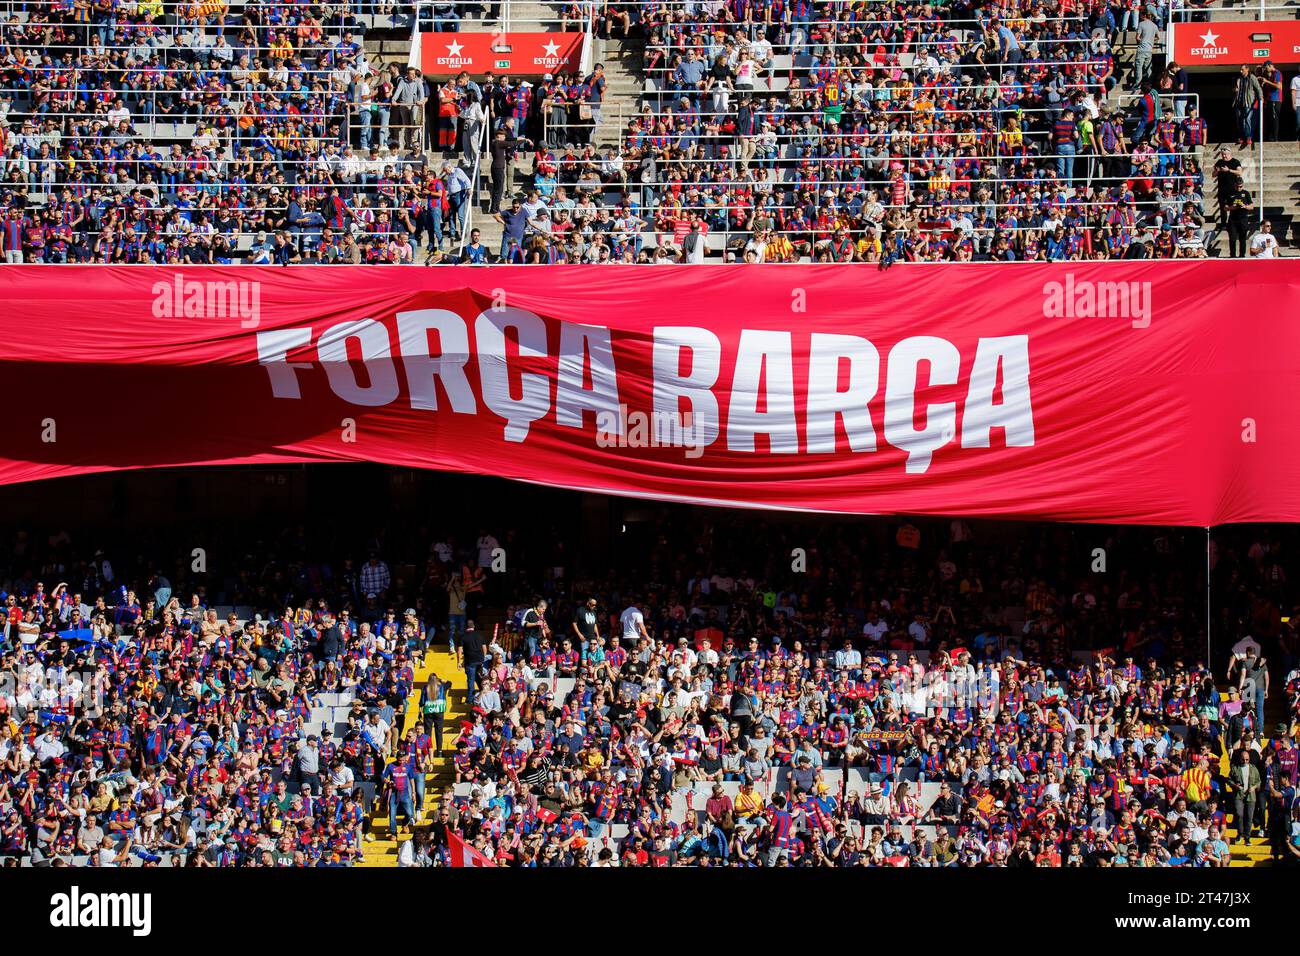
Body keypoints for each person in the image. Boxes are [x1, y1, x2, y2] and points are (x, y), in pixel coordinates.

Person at [458, 619, 486, 707]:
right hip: (480, 660)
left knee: (471, 680)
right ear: (473, 626)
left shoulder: (463, 637)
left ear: (465, 628)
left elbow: (459, 651)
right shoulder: (480, 635)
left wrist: (458, 662)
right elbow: (484, 648)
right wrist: (483, 658)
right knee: (477, 677)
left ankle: (470, 699)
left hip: (470, 661)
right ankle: (484, 692)